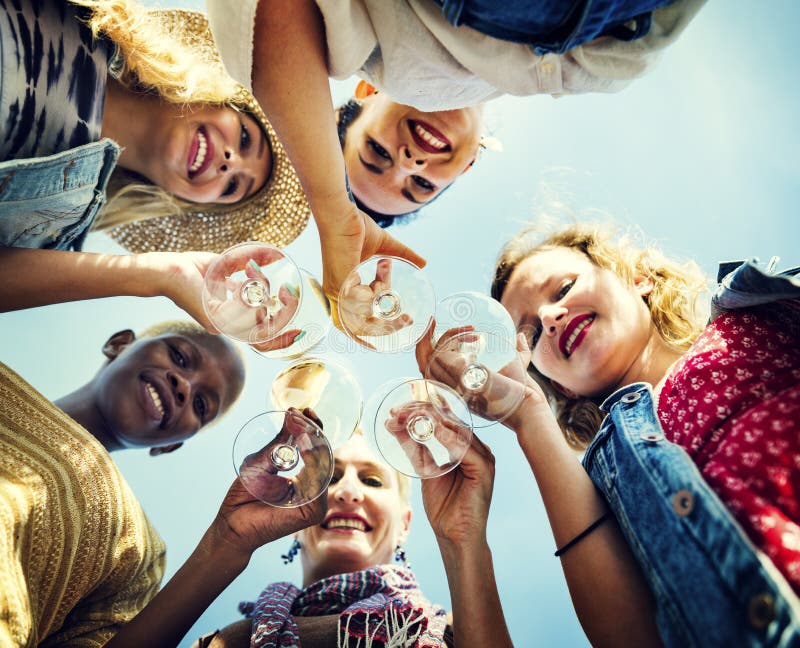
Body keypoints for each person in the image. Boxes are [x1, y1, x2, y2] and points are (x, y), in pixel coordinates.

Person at [421, 221, 800, 646]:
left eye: (562, 289)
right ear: (559, 387)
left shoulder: (757, 311)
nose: (548, 317)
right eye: (527, 335)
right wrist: (527, 413)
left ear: (638, 278)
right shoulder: (602, 487)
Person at [202, 0, 705, 306]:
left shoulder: (374, 55)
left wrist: (333, 209)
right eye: (419, 185)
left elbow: (266, 19)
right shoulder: (596, 75)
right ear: (469, 164)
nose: (409, 163)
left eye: (376, 152)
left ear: (365, 94)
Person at [0, 319, 246, 645]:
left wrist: (230, 542)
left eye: (201, 405)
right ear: (119, 343)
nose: (185, 386)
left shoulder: (140, 550)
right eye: (180, 357)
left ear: (170, 445)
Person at [195, 429, 511, 647]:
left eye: (371, 480)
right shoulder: (224, 640)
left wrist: (465, 540)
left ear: (404, 524)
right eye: (330, 479)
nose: (347, 492)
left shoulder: (463, 631)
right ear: (297, 516)